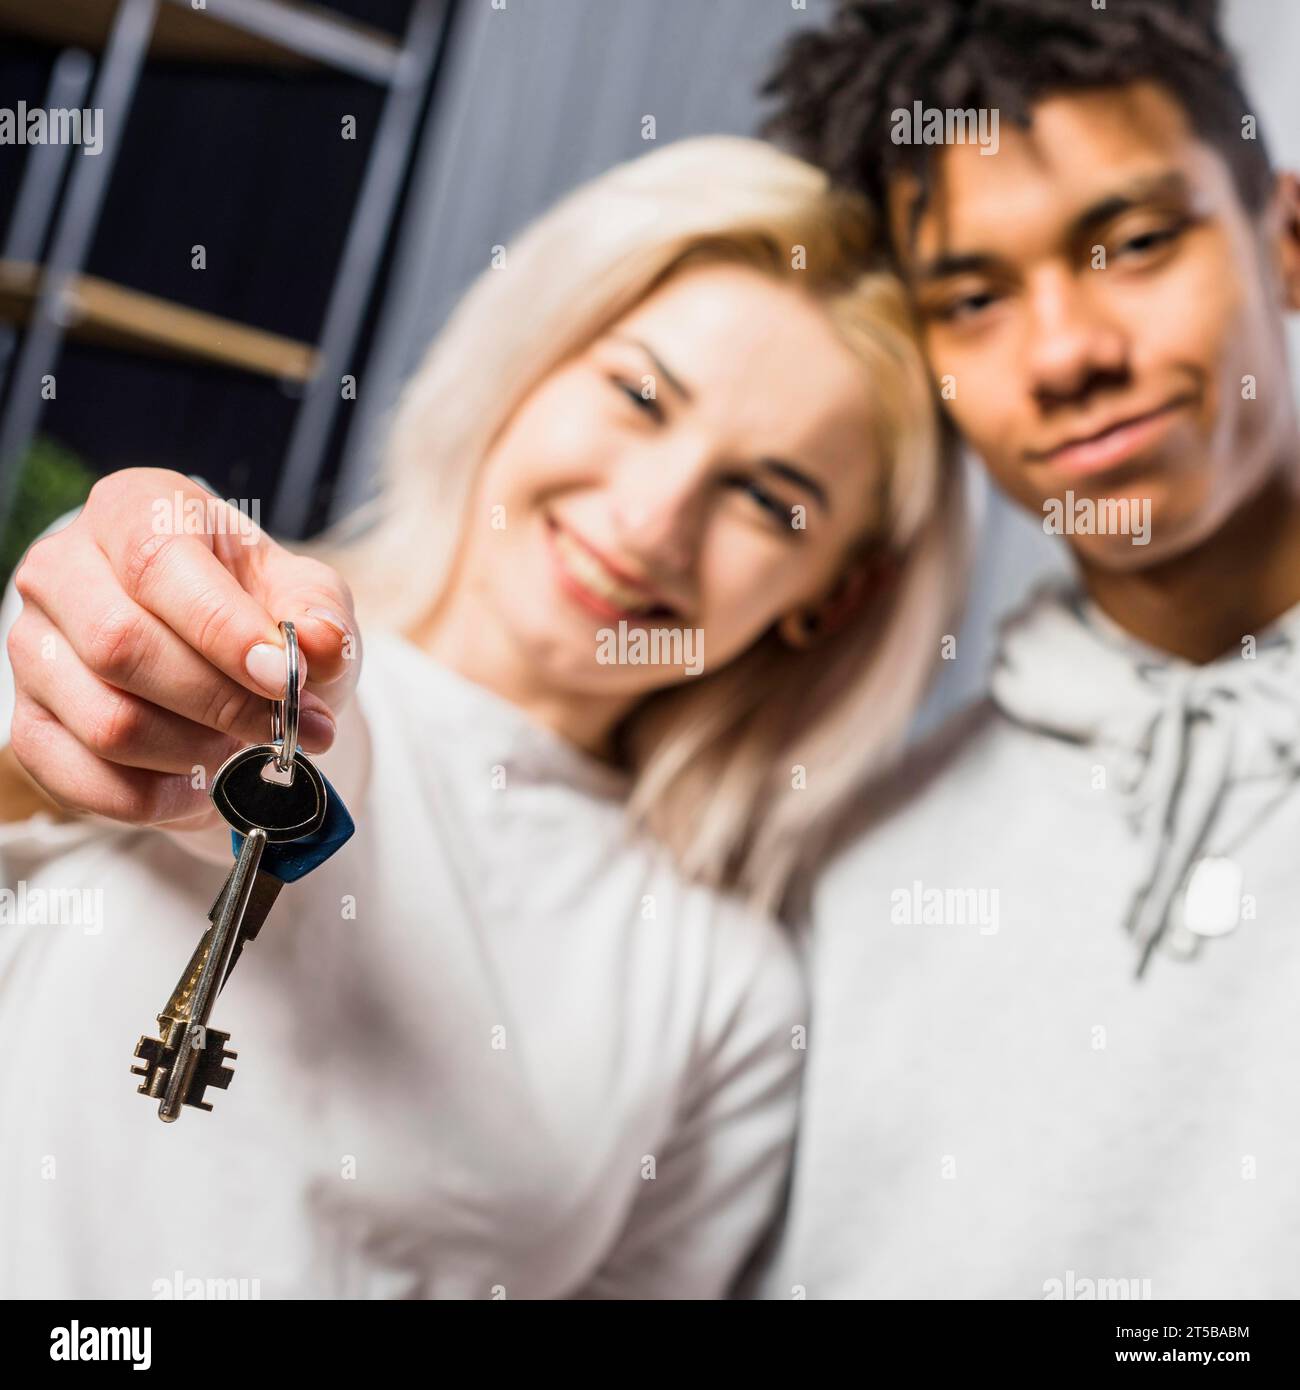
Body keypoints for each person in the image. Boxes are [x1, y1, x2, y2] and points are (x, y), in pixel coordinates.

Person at [0, 136, 962, 1298]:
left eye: (769, 498)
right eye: (640, 395)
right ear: (534, 360)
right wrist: (114, 637)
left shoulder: (728, 994)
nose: (653, 520)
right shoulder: (234, 655)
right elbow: (78, 732)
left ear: (829, 599)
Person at [751, 0, 1300, 1298]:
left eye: (1135, 241)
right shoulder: (847, 865)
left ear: (1285, 237)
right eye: (974, 298)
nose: (1065, 354)